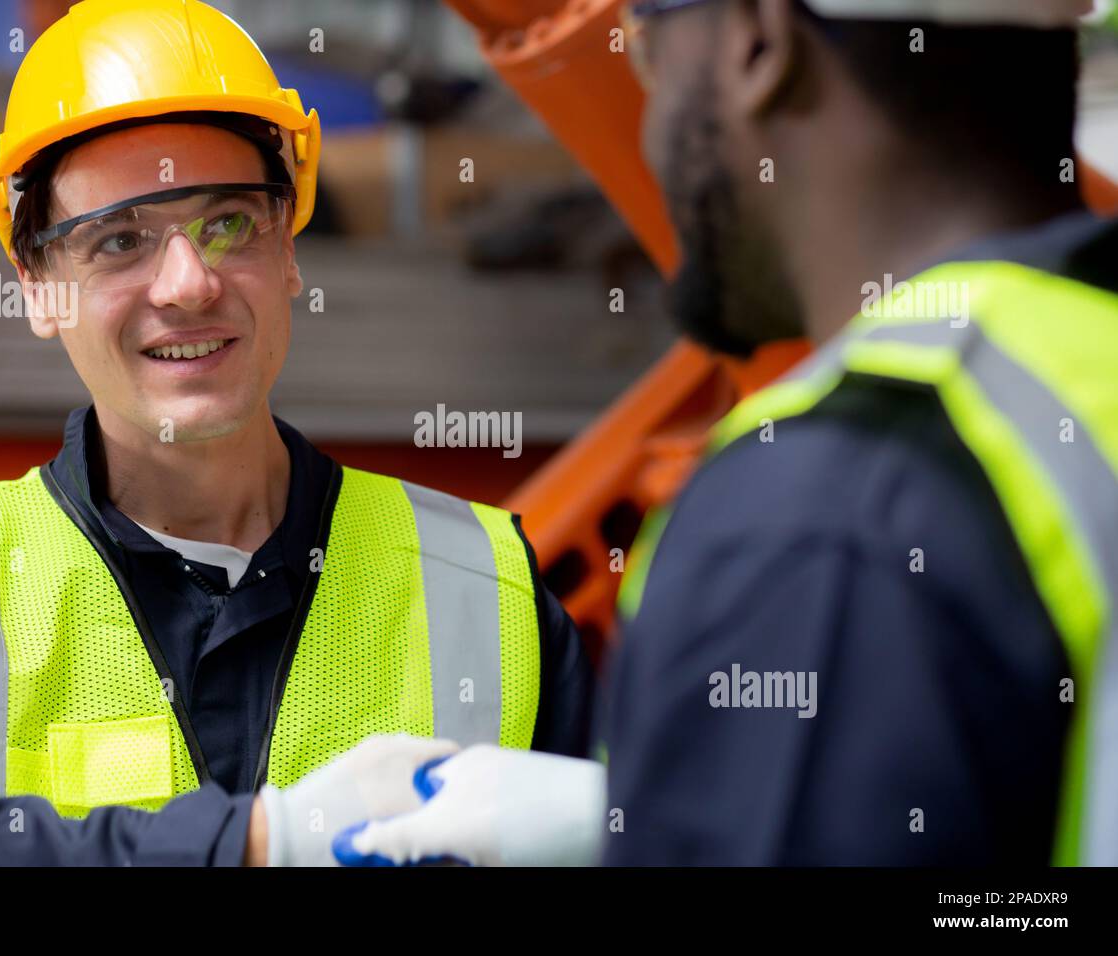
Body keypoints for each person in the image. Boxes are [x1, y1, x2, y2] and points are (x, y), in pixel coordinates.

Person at [334, 0, 1118, 866]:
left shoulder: (827, 515)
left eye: (644, 48)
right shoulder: (1081, 349)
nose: (650, 117)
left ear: (757, 41)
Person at [0, 0, 591, 868]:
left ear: (289, 250)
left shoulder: (488, 588)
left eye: (228, 224)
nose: (188, 283)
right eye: (118, 240)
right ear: (39, 289)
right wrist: (261, 844)